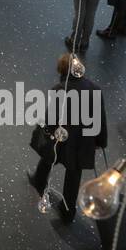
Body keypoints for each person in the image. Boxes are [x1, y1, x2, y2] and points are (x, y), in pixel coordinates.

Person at [28, 54, 109, 221]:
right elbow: (100, 118)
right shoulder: (95, 89)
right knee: (74, 173)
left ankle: (39, 180)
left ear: (62, 71)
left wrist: (47, 131)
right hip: (83, 141)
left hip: (62, 138)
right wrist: (101, 141)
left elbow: (50, 119)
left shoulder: (59, 89)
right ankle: (68, 210)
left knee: (49, 157)